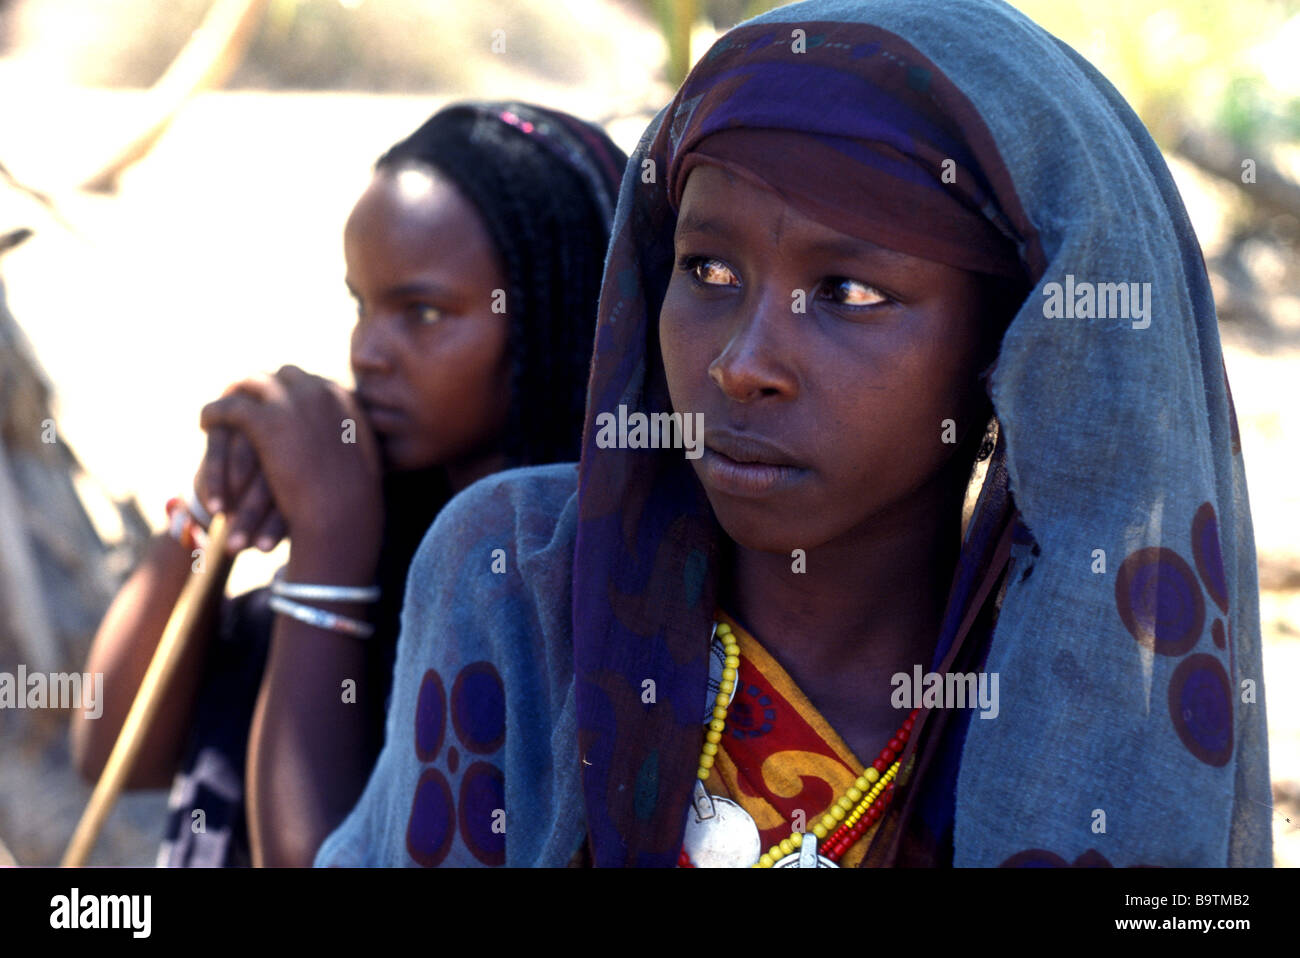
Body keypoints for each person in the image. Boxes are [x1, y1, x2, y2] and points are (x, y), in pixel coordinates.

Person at [316, 0, 1270, 868]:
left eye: (850, 292)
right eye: (708, 270)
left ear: (1012, 339)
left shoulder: (1090, 688)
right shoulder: (522, 580)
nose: (742, 362)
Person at [69, 101, 627, 867]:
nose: (367, 351)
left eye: (423, 312)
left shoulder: (572, 601)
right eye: (360, 305)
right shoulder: (381, 509)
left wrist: (331, 555)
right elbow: (111, 751)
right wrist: (209, 511)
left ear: (559, 319)